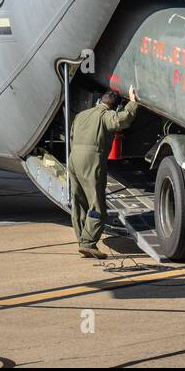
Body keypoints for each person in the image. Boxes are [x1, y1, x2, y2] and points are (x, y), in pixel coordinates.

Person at [69, 85, 138, 258]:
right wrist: (132, 102)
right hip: (91, 159)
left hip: (74, 157)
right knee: (96, 201)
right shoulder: (106, 115)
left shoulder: (81, 115)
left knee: (79, 200)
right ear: (114, 106)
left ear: (100, 101)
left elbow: (71, 136)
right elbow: (123, 120)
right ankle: (88, 243)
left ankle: (82, 240)